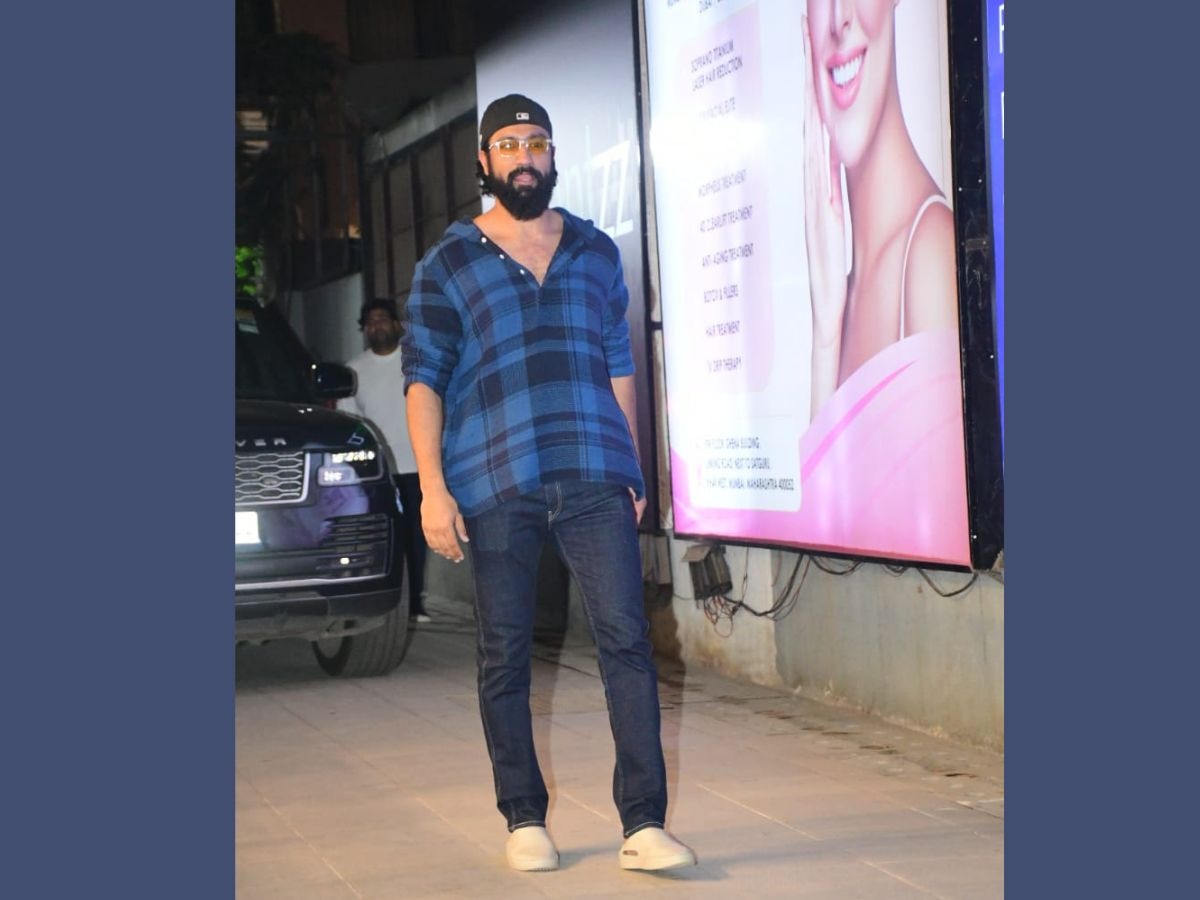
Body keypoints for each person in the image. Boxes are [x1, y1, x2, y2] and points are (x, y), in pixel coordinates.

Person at [400, 94, 695, 873]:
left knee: (627, 642)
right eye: (508, 144)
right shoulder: (450, 262)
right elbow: (423, 379)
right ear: (485, 163)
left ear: (553, 156)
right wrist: (432, 487)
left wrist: (633, 465)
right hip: (496, 480)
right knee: (504, 652)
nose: (524, 155)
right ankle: (523, 817)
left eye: (537, 142)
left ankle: (644, 822)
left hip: (595, 471)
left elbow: (620, 362)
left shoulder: (596, 251)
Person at [802, 0, 959, 419]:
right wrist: (825, 335)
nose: (839, 19)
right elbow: (823, 488)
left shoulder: (929, 255)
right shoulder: (842, 287)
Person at [338, 297, 431, 622]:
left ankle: (415, 603)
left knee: (418, 539)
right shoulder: (354, 370)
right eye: (371, 322)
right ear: (365, 330)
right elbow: (350, 423)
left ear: (397, 325)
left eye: (383, 319)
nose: (377, 326)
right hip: (380, 473)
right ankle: (393, 605)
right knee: (389, 539)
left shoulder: (416, 359)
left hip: (418, 465)